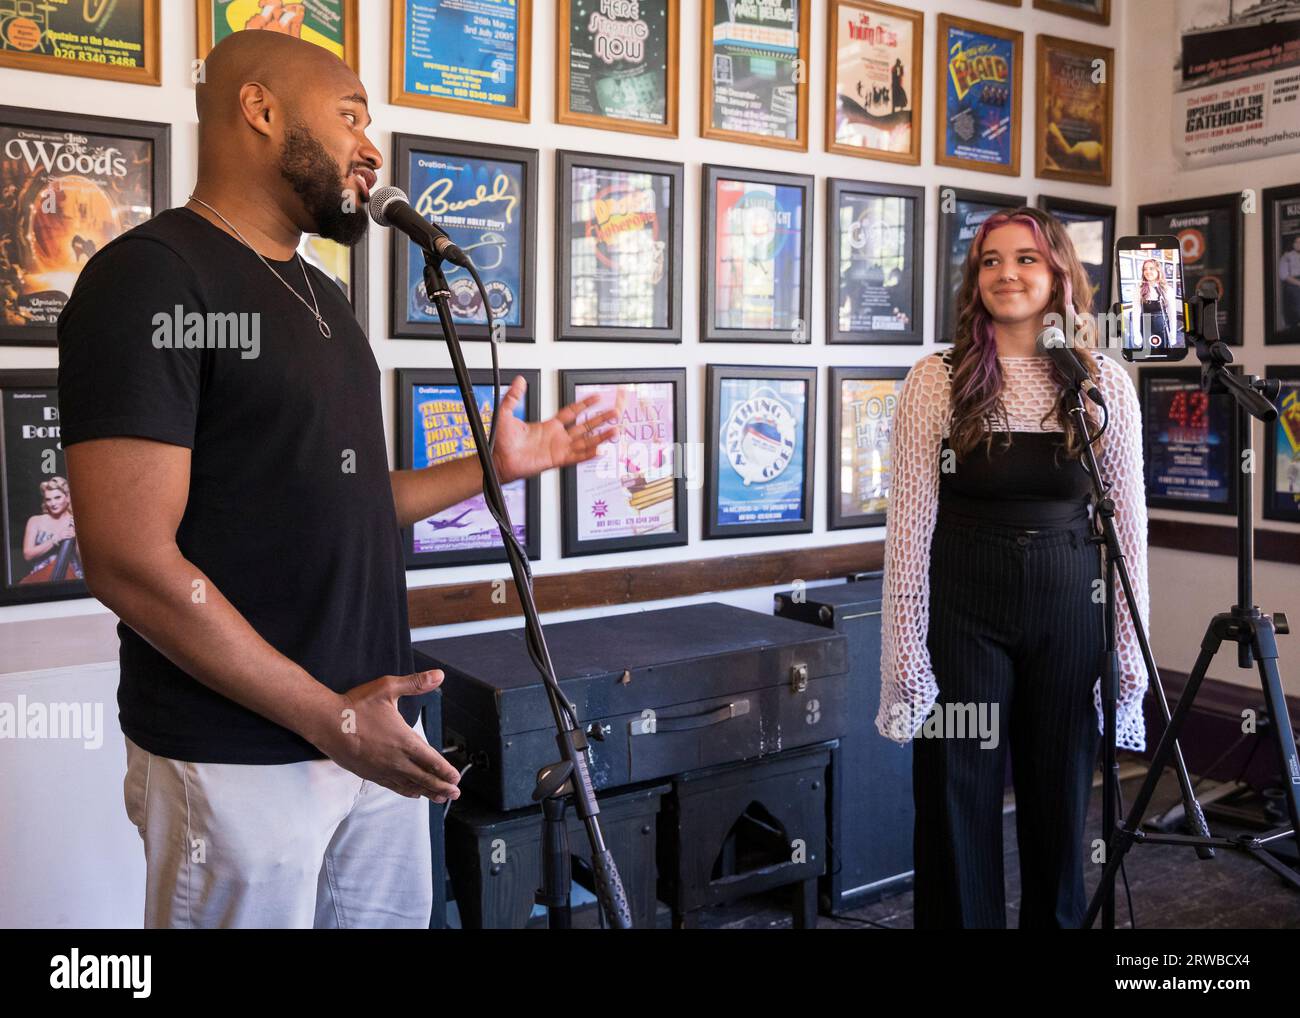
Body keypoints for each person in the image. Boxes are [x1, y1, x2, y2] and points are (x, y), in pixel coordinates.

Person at [56, 31, 618, 929]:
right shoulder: (151, 281)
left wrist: (494, 467)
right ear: (261, 109)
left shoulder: (323, 296)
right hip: (240, 759)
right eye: (352, 113)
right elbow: (128, 561)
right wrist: (328, 718)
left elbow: (344, 500)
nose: (371, 147)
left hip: (371, 736)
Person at [877, 206, 1150, 929]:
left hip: (1070, 603)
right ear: (977, 280)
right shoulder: (936, 380)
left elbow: (1129, 527)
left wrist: (1128, 643)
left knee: (1059, 793)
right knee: (955, 790)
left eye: (1026, 259)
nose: (1007, 273)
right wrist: (906, 647)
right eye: (991, 261)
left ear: (1058, 272)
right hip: (963, 606)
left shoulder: (1102, 385)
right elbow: (908, 527)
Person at [20, 476, 81, 583]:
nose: (53, 503)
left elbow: (83, 560)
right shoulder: (35, 521)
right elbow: (28, 554)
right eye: (48, 499)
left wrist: (77, 538)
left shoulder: (77, 521)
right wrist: (56, 539)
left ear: (67, 497)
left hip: (72, 578)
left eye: (57, 497)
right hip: (40, 578)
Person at [1138, 257, 1174, 348]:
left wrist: (1173, 335)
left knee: (1163, 350)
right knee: (1146, 351)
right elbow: (1136, 313)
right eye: (1145, 269)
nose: (1147, 271)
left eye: (1151, 268)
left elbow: (1171, 314)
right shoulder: (1139, 290)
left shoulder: (1168, 290)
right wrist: (1136, 334)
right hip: (1145, 325)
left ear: (1158, 270)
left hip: (1162, 326)